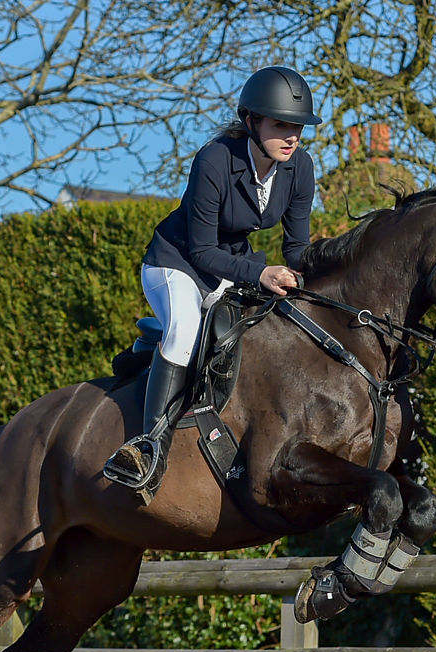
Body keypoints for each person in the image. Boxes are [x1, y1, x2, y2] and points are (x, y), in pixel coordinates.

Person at [103, 66, 321, 501]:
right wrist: (261, 273)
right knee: (184, 332)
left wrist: (323, 267)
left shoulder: (300, 168)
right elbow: (201, 250)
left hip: (230, 265)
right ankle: (150, 449)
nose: (291, 136)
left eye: (297, 126)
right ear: (250, 121)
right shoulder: (214, 159)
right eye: (280, 124)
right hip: (176, 262)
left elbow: (297, 248)